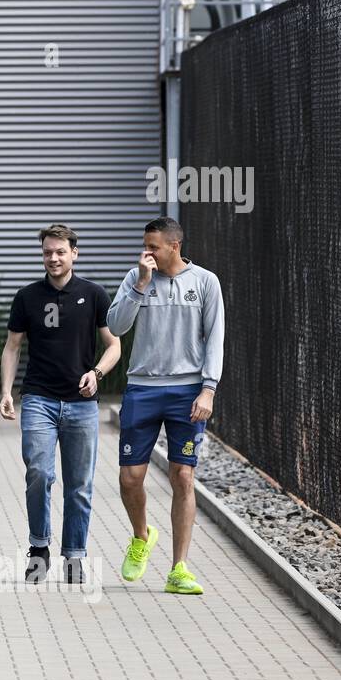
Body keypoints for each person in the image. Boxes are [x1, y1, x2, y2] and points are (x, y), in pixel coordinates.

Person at [107, 216, 225, 596]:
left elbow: (215, 340)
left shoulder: (205, 282)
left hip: (187, 391)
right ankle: (141, 536)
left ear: (174, 246)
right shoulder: (136, 277)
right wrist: (140, 285)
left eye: (153, 246)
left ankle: (179, 568)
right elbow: (117, 326)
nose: (147, 253)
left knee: (183, 476)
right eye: (145, 246)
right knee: (129, 478)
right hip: (142, 389)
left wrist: (208, 389)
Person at [0, 225, 121, 584]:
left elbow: (114, 346)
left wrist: (96, 373)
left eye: (60, 252)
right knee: (38, 473)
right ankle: (39, 548)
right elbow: (12, 346)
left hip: (82, 404)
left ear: (74, 254)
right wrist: (6, 391)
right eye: (47, 252)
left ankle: (75, 556)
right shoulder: (26, 297)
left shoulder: (95, 295)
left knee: (79, 484)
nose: (53, 258)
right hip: (38, 398)